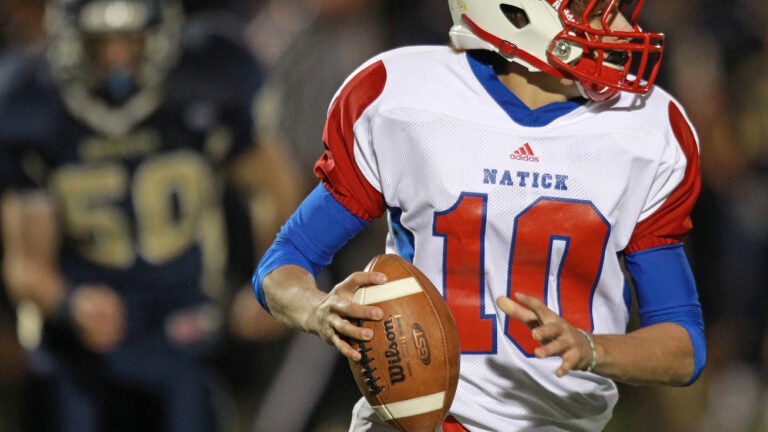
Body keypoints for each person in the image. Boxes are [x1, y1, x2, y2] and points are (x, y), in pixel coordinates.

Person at [251, 0, 707, 430]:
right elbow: (284, 260)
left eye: (619, 11)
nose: (623, 31)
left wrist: (590, 347)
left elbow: (683, 347)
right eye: (595, 10)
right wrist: (317, 308)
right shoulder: (403, 99)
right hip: (413, 423)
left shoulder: (648, 130)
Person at [0, 0, 299, 431]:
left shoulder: (208, 78)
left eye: (131, 41)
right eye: (100, 44)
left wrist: (276, 274)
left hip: (187, 334)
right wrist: (69, 302)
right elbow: (26, 265)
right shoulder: (33, 107)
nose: (117, 60)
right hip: (80, 352)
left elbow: (273, 186)